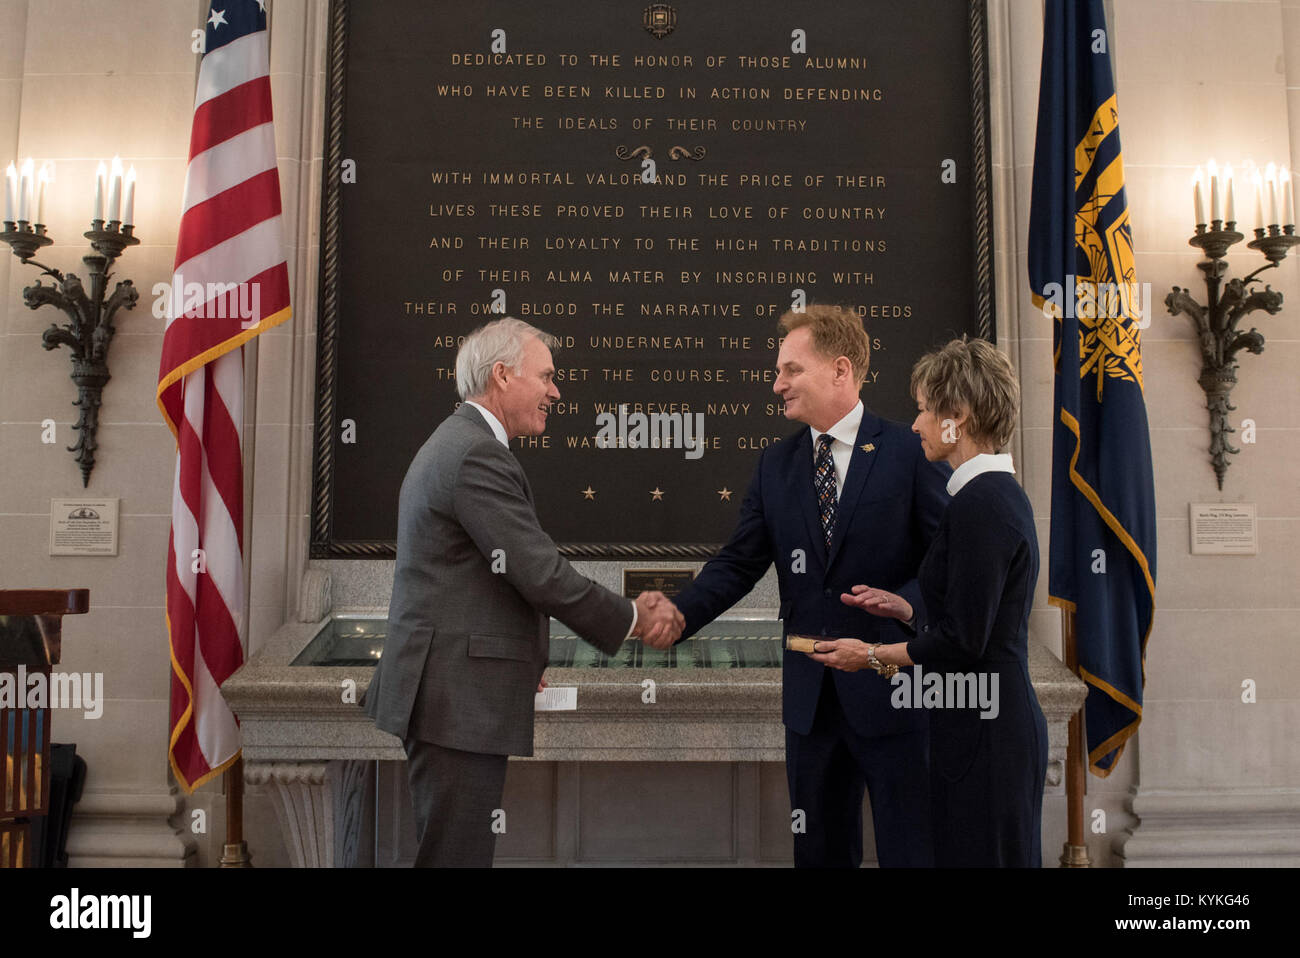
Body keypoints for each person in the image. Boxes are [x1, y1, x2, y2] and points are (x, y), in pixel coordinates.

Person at [362, 317, 683, 867]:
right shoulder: (475, 454)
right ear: (503, 376)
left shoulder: (460, 443)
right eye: (548, 377)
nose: (556, 392)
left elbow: (488, 577)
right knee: (456, 857)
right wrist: (631, 616)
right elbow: (537, 573)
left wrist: (524, 651)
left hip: (452, 694)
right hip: (455, 700)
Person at [654, 305, 951, 867]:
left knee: (914, 853)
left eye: (791, 369)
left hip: (897, 693)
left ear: (841, 370)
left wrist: (908, 606)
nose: (777, 385)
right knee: (817, 855)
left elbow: (948, 561)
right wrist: (679, 615)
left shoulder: (910, 452)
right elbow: (738, 563)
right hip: (812, 708)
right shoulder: (776, 465)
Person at [814, 336, 1048, 867]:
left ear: (956, 417)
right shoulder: (989, 495)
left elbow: (966, 640)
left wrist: (869, 656)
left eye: (923, 410)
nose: (916, 424)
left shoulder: (980, 503)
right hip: (977, 721)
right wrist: (909, 611)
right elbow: (977, 612)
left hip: (987, 733)